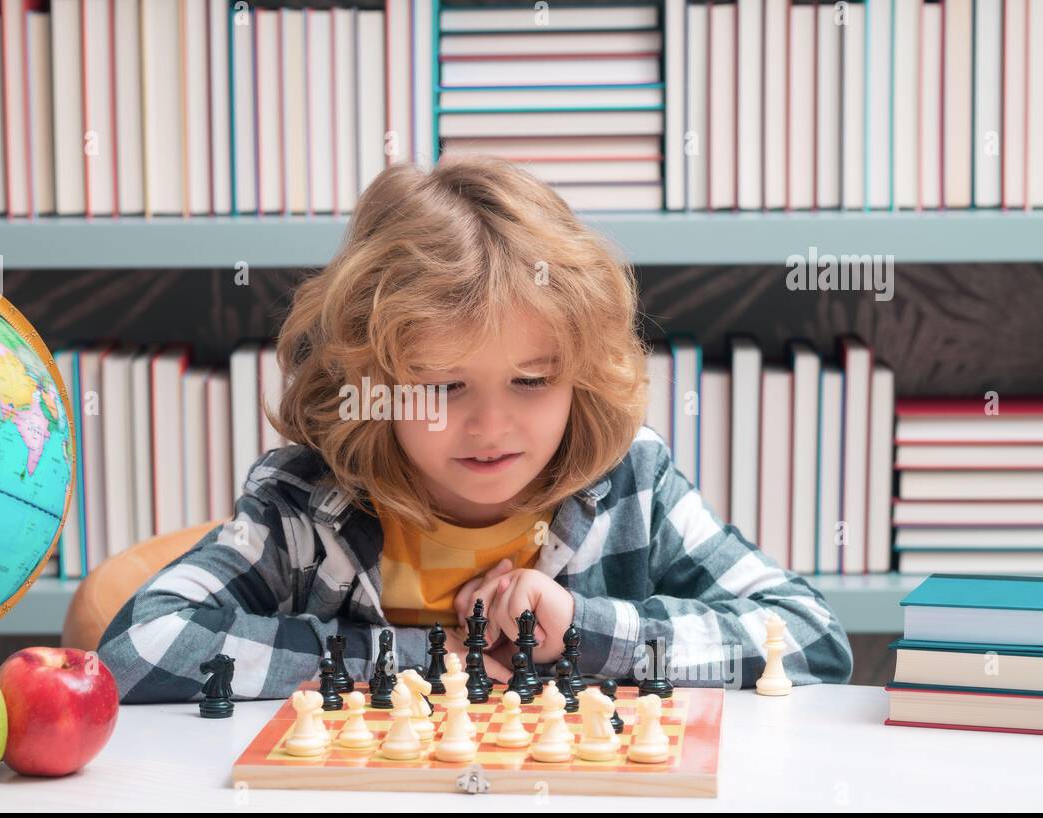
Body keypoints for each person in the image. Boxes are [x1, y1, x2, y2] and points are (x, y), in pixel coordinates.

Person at [97, 156, 853, 702]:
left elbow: (812, 637)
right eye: (440, 386)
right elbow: (139, 647)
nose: (491, 425)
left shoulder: (629, 483)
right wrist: (410, 658)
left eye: (532, 381)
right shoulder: (308, 504)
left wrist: (587, 629)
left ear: (581, 373)